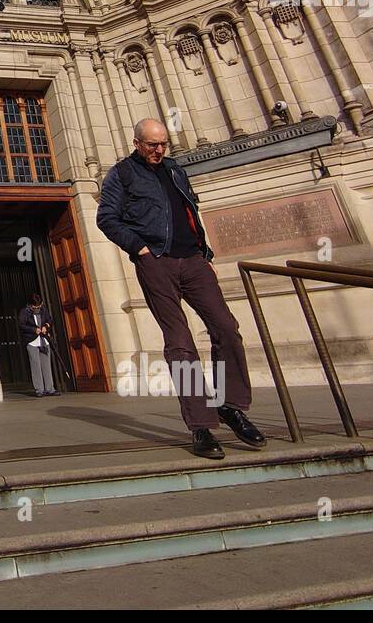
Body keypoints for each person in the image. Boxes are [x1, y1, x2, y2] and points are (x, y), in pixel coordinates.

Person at [96, 118, 267, 460]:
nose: (158, 150)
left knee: (227, 329)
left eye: (163, 144)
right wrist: (139, 248)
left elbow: (191, 211)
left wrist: (204, 253)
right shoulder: (122, 173)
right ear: (136, 142)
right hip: (156, 260)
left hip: (192, 260)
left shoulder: (175, 170)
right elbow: (106, 217)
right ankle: (201, 427)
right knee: (180, 342)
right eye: (151, 145)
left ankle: (229, 406)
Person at [17, 292, 57, 397]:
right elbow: (21, 325)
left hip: (44, 340)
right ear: (30, 305)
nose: (37, 308)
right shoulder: (24, 312)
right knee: (36, 366)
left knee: (46, 365)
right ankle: (39, 389)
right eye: (35, 306)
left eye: (39, 306)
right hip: (32, 341)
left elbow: (49, 320)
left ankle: (50, 388)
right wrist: (34, 330)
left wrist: (46, 326)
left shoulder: (44, 309)